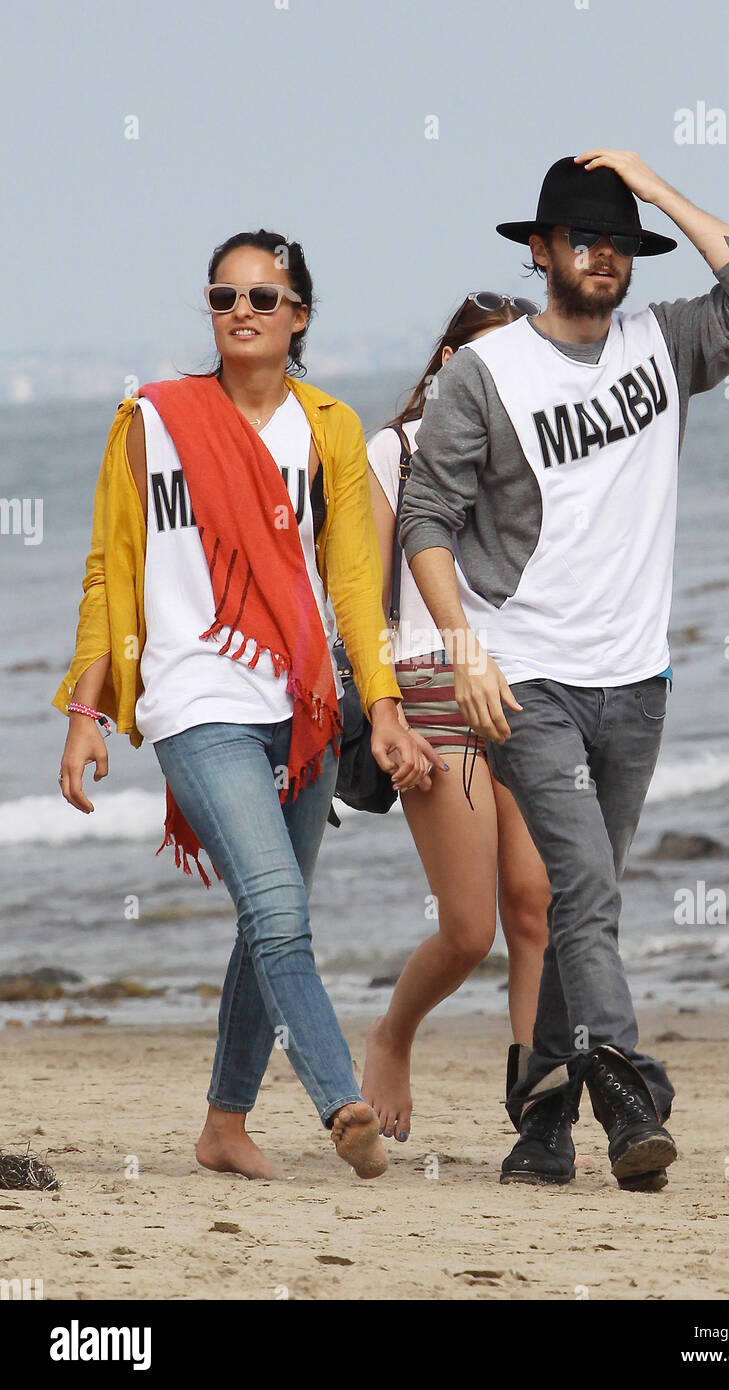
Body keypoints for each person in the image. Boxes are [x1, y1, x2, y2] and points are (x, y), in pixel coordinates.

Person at [398, 150, 729, 1190]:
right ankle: (622, 1086)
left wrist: (658, 188)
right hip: (523, 677)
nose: (602, 254)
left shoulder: (662, 346)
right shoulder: (487, 374)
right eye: (582, 237)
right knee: (582, 888)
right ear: (540, 252)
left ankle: (537, 1124)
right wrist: (462, 648)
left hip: (636, 680)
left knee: (584, 899)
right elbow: (424, 519)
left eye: (619, 240)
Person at [53, 229, 444, 1182]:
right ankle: (338, 1100)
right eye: (224, 297)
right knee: (277, 908)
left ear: (299, 316)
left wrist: (382, 707)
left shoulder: (328, 430)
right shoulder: (150, 422)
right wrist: (86, 711)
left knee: (269, 923)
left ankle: (223, 1127)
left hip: (304, 703)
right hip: (195, 695)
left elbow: (352, 581)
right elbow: (111, 568)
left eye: (263, 299)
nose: (241, 313)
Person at [362, 294, 552, 1149]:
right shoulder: (392, 454)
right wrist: (386, 716)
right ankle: (392, 1034)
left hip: (527, 693)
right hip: (433, 692)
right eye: (479, 358)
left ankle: (541, 1112)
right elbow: (361, 606)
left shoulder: (534, 458)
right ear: (445, 363)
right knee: (471, 928)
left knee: (536, 906)